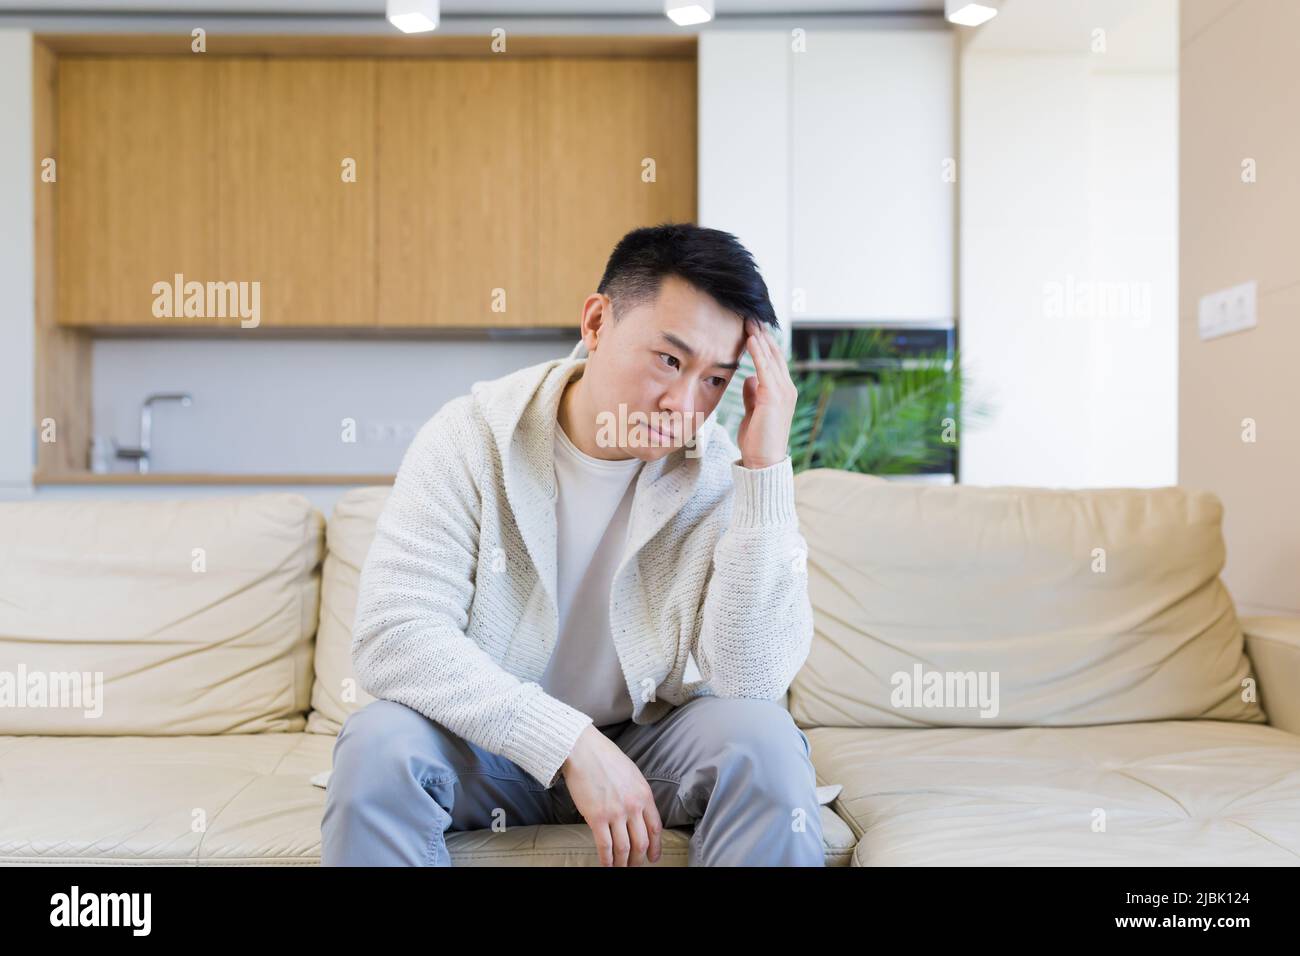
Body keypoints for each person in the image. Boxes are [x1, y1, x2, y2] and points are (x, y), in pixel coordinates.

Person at [321, 223, 822, 866]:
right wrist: (569, 743)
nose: (683, 404)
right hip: (486, 747)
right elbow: (394, 635)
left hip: (647, 750)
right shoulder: (468, 439)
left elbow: (749, 682)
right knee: (376, 744)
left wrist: (763, 472)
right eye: (669, 360)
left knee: (766, 742)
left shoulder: (722, 474)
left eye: (715, 381)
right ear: (596, 322)